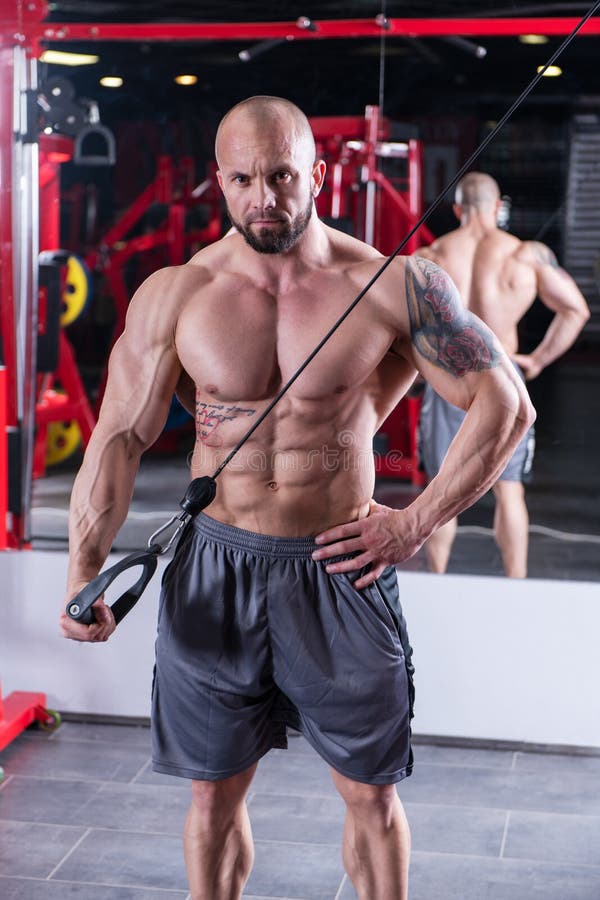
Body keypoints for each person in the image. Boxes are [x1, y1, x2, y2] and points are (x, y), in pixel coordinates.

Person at [60, 99, 534, 900]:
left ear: (316, 174)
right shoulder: (177, 294)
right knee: (211, 794)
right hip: (216, 565)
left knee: (371, 797)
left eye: (281, 176)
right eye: (243, 179)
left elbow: (506, 405)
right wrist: (84, 572)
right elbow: (117, 440)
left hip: (339, 568)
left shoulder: (393, 283)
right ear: (220, 182)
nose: (263, 198)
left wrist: (413, 523)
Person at [415, 171, 590, 579]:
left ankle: (437, 579)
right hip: (504, 377)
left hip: (449, 378)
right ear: (497, 207)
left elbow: (401, 325)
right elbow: (575, 309)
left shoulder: (433, 255)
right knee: (509, 490)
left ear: (458, 209)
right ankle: (517, 583)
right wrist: (539, 360)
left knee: (441, 488)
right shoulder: (524, 255)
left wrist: (420, 370)